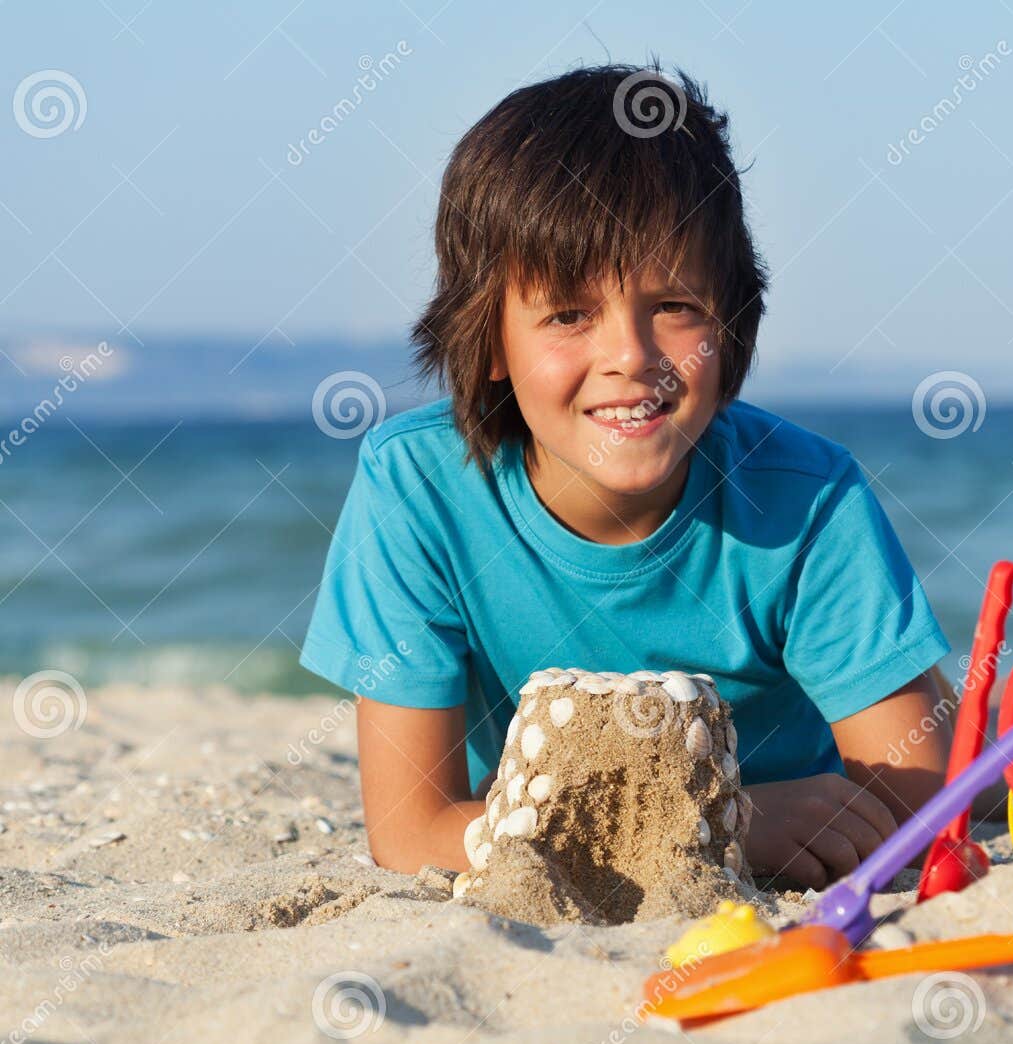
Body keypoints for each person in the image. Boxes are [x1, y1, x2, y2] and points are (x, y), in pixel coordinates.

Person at [300, 64, 960, 890]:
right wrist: (722, 822)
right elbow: (411, 829)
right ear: (491, 341)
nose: (629, 358)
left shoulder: (810, 497)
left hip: (808, 814)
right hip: (761, 818)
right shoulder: (417, 491)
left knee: (995, 745)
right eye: (569, 314)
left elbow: (921, 804)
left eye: (676, 306)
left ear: (732, 317)